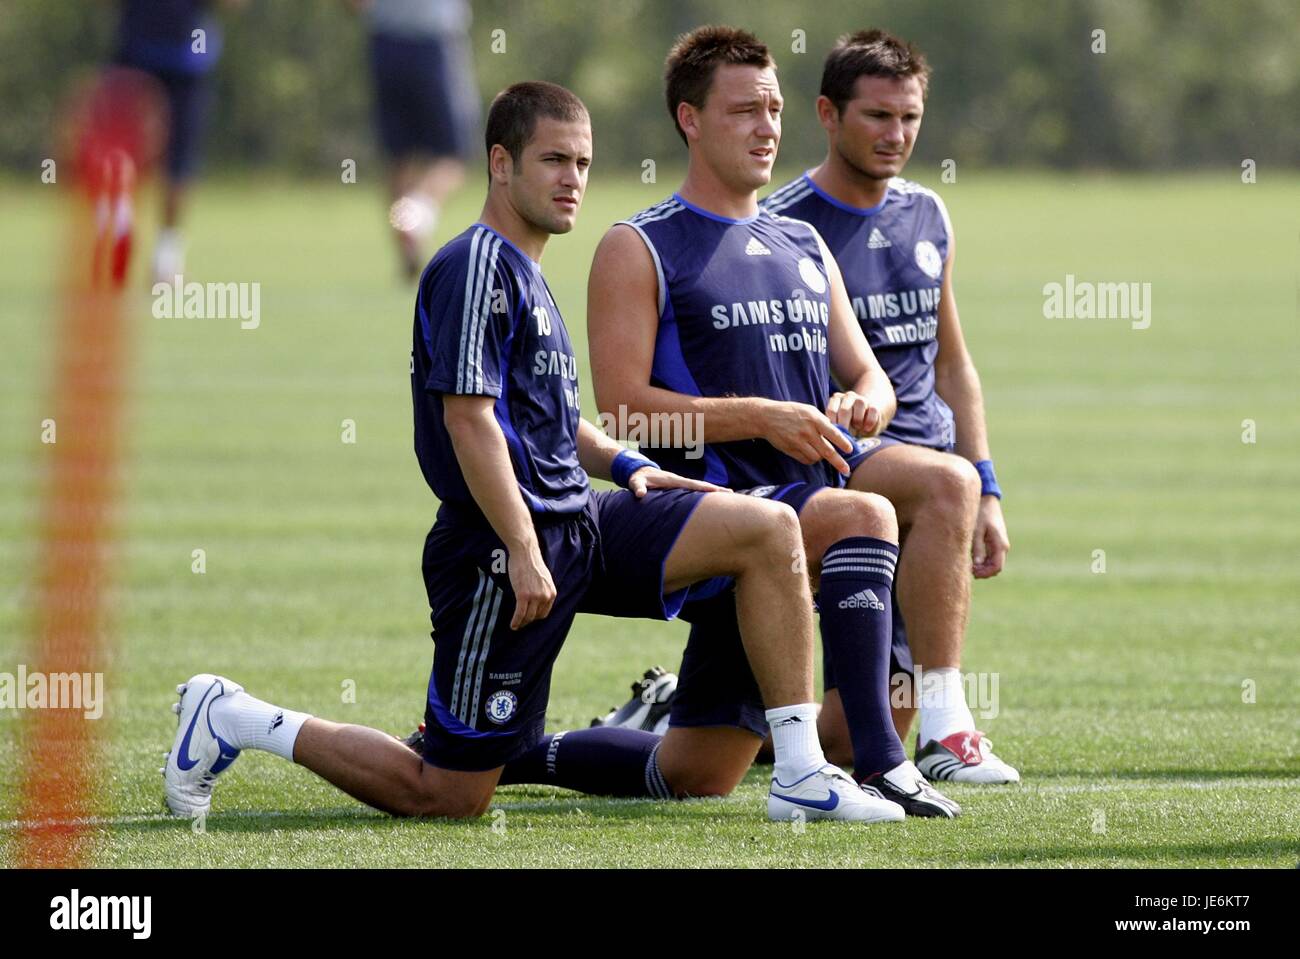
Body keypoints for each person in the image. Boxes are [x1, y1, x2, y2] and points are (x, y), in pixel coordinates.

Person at [163, 81, 901, 824]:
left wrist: (627, 464)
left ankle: (803, 771)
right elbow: (471, 421)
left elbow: (549, 421)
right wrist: (521, 547)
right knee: (445, 794)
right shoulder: (475, 265)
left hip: (576, 522)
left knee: (765, 530)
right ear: (499, 163)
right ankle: (233, 715)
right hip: (500, 547)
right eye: (553, 160)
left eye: (581, 162)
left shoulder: (528, 271)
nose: (572, 179)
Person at [583, 27, 959, 817]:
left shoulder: (802, 240)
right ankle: (883, 765)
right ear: (690, 119)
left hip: (784, 545)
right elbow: (619, 409)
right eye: (744, 110)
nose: (767, 128)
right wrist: (756, 416)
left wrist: (866, 405)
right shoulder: (639, 244)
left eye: (775, 109)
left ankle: (513, 753)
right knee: (866, 509)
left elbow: (870, 376)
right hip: (711, 512)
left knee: (697, 770)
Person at [758, 30, 1017, 783]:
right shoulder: (783, 224)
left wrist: (989, 486)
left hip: (931, 474)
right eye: (876, 116)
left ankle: (700, 707)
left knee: (849, 736)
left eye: (909, 117)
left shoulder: (927, 214)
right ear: (828, 115)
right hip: (849, 467)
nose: (895, 134)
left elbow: (951, 361)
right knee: (947, 484)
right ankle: (950, 731)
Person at [109, 0, 240, 283]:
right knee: (123, 157)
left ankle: (165, 260)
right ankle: (116, 245)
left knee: (180, 163)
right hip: (136, 53)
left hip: (187, 60)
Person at [350, 0, 481, 278]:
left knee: (400, 157)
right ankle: (418, 213)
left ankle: (407, 257)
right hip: (435, 42)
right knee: (455, 156)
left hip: (384, 44)